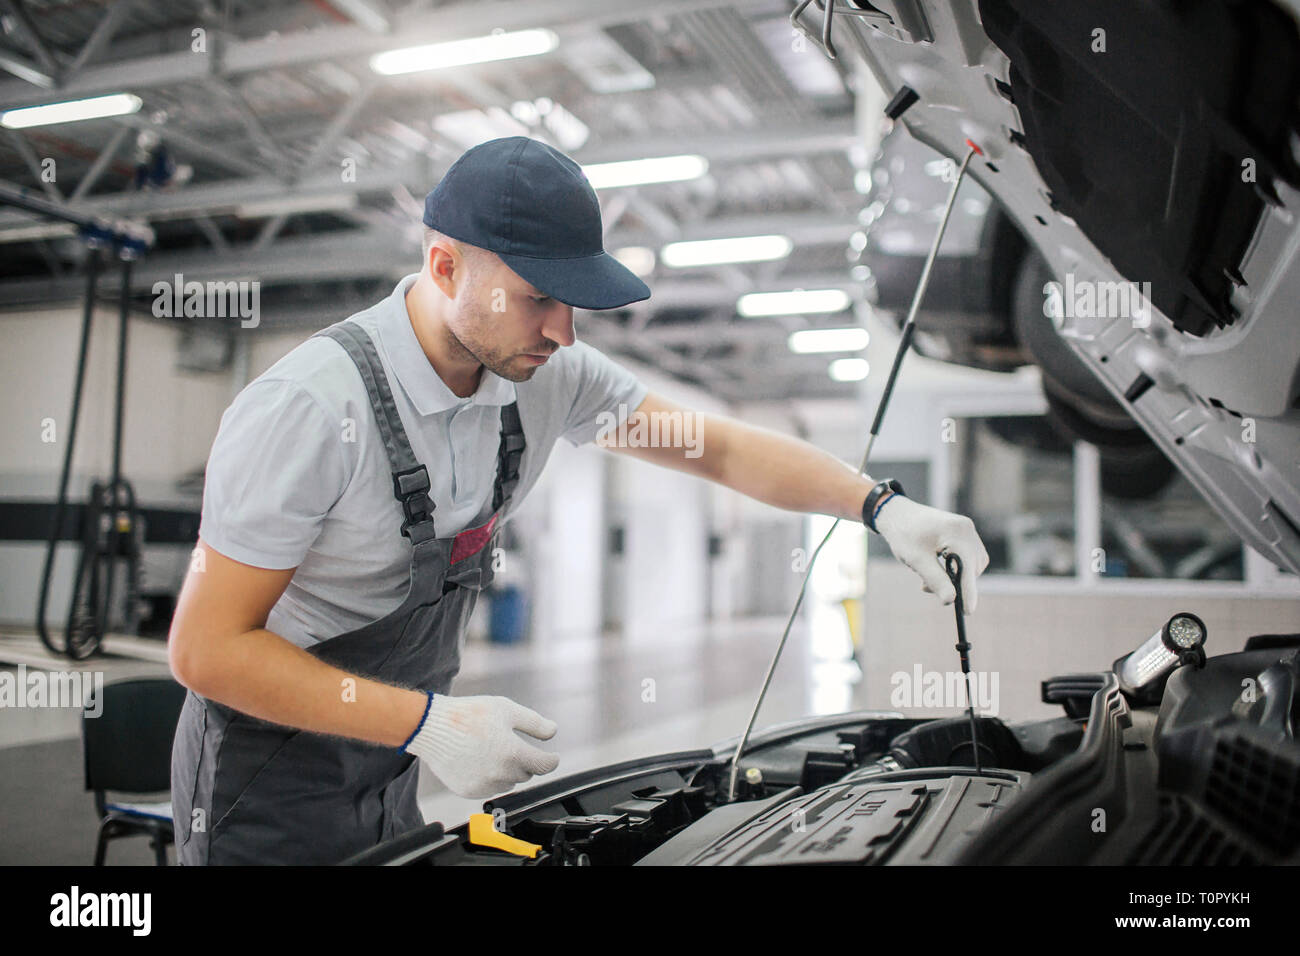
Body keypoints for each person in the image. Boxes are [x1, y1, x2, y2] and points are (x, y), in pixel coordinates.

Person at [168, 136, 989, 864]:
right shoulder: (311, 409)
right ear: (445, 265)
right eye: (538, 298)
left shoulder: (549, 378)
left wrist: (881, 507)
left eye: (574, 301)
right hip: (264, 777)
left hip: (385, 765)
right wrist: (426, 724)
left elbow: (721, 447)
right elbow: (206, 652)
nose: (563, 332)